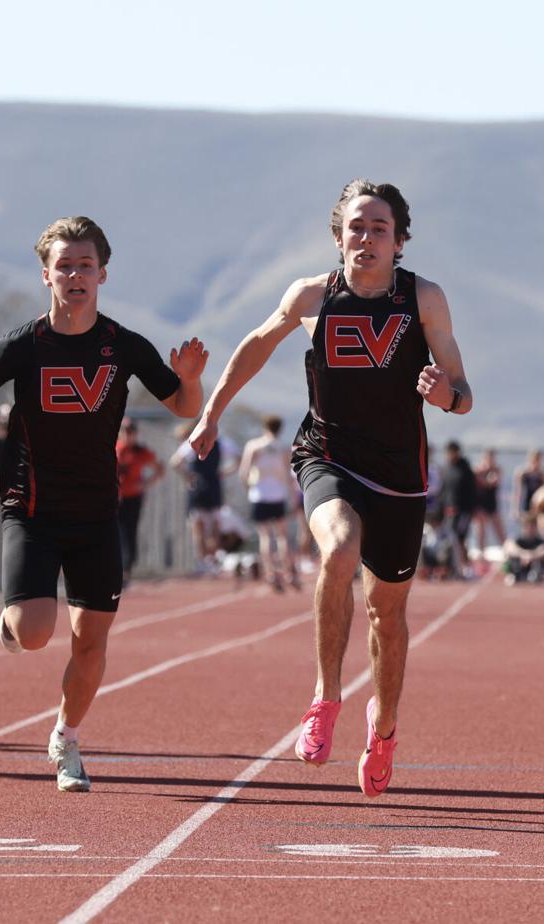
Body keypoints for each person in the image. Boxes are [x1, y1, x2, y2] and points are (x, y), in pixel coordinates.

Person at [187, 179, 472, 798]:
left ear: (399, 241)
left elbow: (463, 393)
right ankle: (325, 696)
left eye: (379, 229)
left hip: (399, 475)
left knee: (387, 618)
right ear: (338, 234)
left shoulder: (423, 298)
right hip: (328, 456)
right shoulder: (313, 295)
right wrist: (211, 412)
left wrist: (442, 394)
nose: (365, 239)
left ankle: (386, 728)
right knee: (338, 549)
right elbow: (256, 345)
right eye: (356, 227)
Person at [0, 216, 206, 792]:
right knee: (34, 633)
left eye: (85, 265)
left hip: (95, 514)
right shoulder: (21, 346)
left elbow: (182, 407)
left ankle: (67, 738)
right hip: (30, 508)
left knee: (91, 642)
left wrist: (191, 379)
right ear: (46, 275)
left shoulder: (123, 345)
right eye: (65, 265)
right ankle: (13, 625)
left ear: (102, 273)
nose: (75, 274)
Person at [240, 415, 299, 591]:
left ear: (265, 427)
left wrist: (249, 489)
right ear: (280, 429)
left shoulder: (254, 446)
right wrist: (292, 497)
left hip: (259, 495)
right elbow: (289, 476)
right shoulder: (283, 447)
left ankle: (271, 573)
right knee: (282, 536)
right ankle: (288, 573)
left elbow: (244, 472)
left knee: (265, 536)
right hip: (278, 496)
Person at [172, 422, 237, 573]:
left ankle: (204, 562)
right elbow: (238, 458)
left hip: (198, 487)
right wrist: (225, 472)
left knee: (198, 527)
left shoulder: (192, 443)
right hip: (213, 486)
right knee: (214, 526)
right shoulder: (222, 443)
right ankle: (212, 561)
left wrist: (188, 477)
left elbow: (175, 462)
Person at [115, 418, 165, 581]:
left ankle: (126, 568)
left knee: (130, 531)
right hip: (114, 499)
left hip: (132, 497)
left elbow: (160, 469)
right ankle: (115, 567)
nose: (128, 435)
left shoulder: (142, 452)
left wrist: (144, 485)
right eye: (125, 431)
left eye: (131, 431)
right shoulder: (114, 448)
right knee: (113, 532)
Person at [441, 440, 478, 577]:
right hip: (449, 512)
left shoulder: (465, 469)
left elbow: (471, 491)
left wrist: (469, 510)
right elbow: (444, 490)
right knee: (451, 539)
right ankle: (455, 567)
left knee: (461, 538)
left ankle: (467, 568)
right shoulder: (446, 468)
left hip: (463, 511)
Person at [472, 447, 506, 554]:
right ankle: (482, 553)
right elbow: (480, 482)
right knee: (481, 530)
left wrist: (486, 480)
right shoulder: (478, 470)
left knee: (499, 529)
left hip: (492, 503)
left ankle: (506, 551)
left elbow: (495, 481)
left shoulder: (497, 469)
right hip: (481, 503)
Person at [503, 512, 544, 585]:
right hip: (521, 565)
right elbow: (509, 546)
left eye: (533, 526)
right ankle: (515, 575)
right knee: (513, 559)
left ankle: (536, 576)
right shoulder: (518, 540)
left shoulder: (540, 541)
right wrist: (523, 554)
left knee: (539, 562)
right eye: (528, 526)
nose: (530, 529)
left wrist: (531, 556)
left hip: (533, 565)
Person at [513, 449, 544, 525]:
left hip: (538, 506)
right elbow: (518, 492)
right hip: (526, 504)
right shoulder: (523, 474)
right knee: (527, 528)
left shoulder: (543, 475)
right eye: (535, 459)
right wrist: (516, 509)